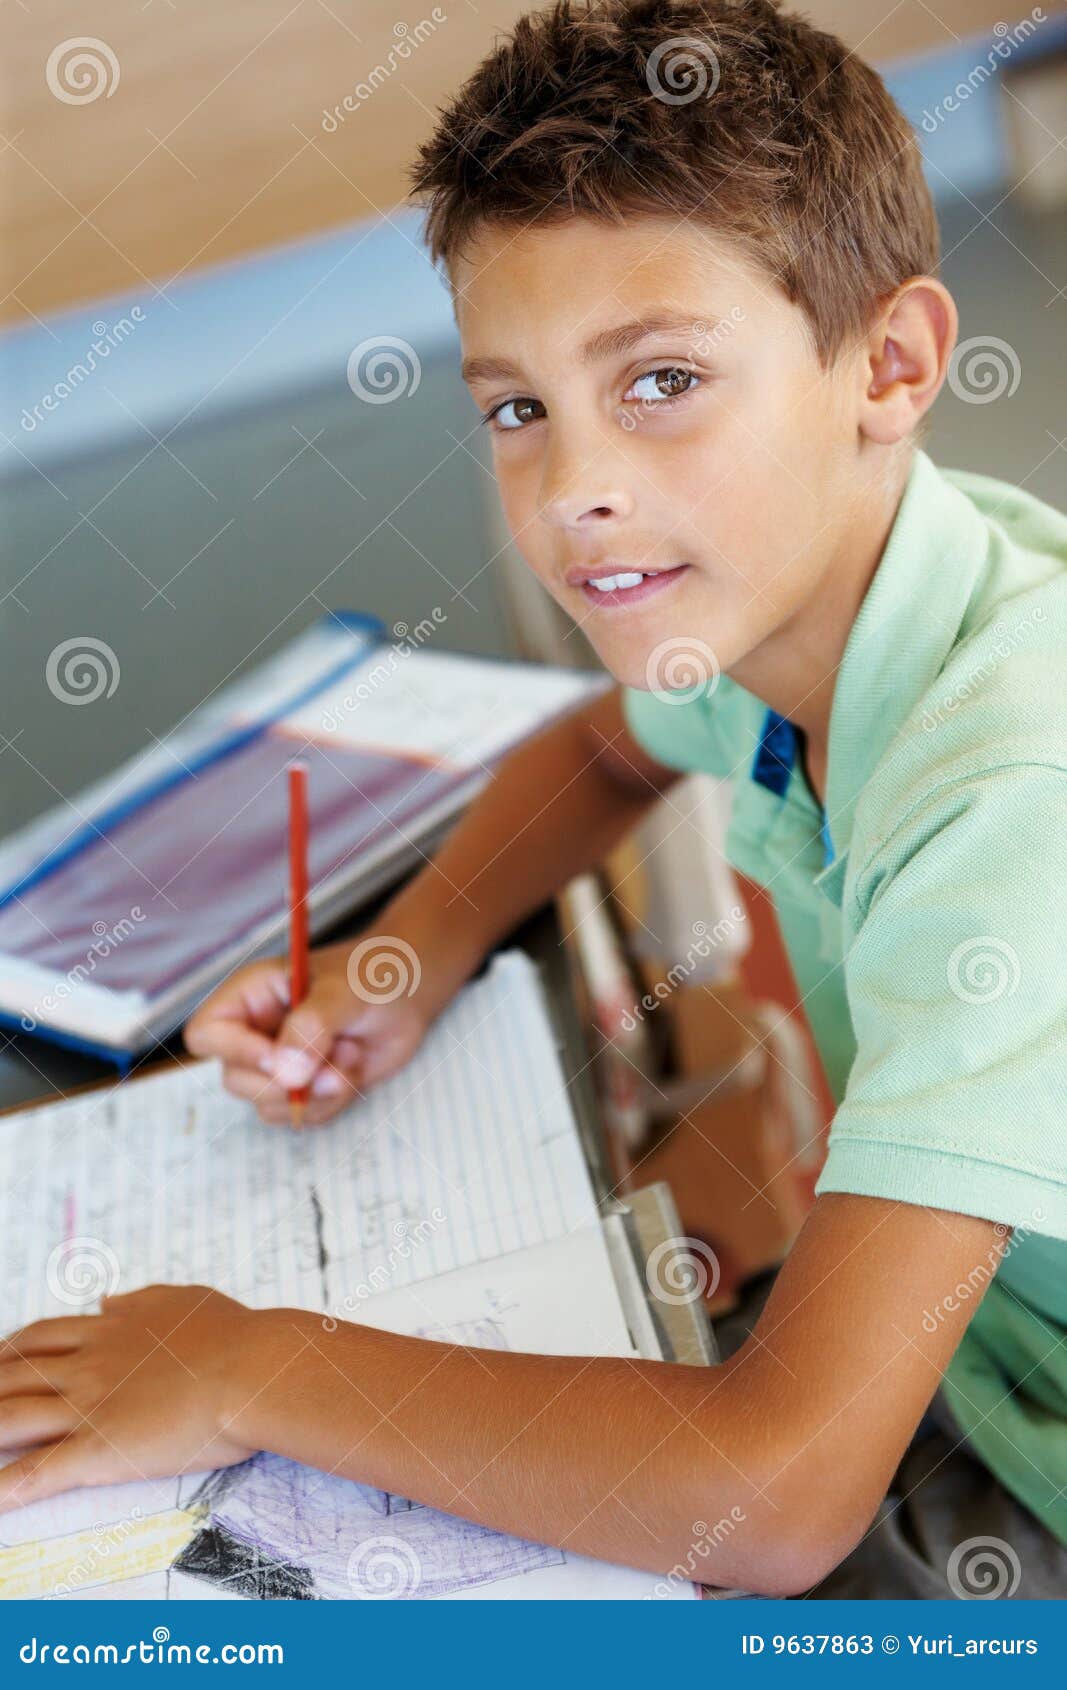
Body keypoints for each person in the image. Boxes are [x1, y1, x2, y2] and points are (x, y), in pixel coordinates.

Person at [2, 0, 1064, 1597]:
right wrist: (407, 953)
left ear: (893, 362)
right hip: (979, 1358)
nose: (573, 492)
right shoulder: (828, 595)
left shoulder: (1015, 793)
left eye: (661, 381)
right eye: (518, 408)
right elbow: (608, 746)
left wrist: (249, 1368)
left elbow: (774, 1499)